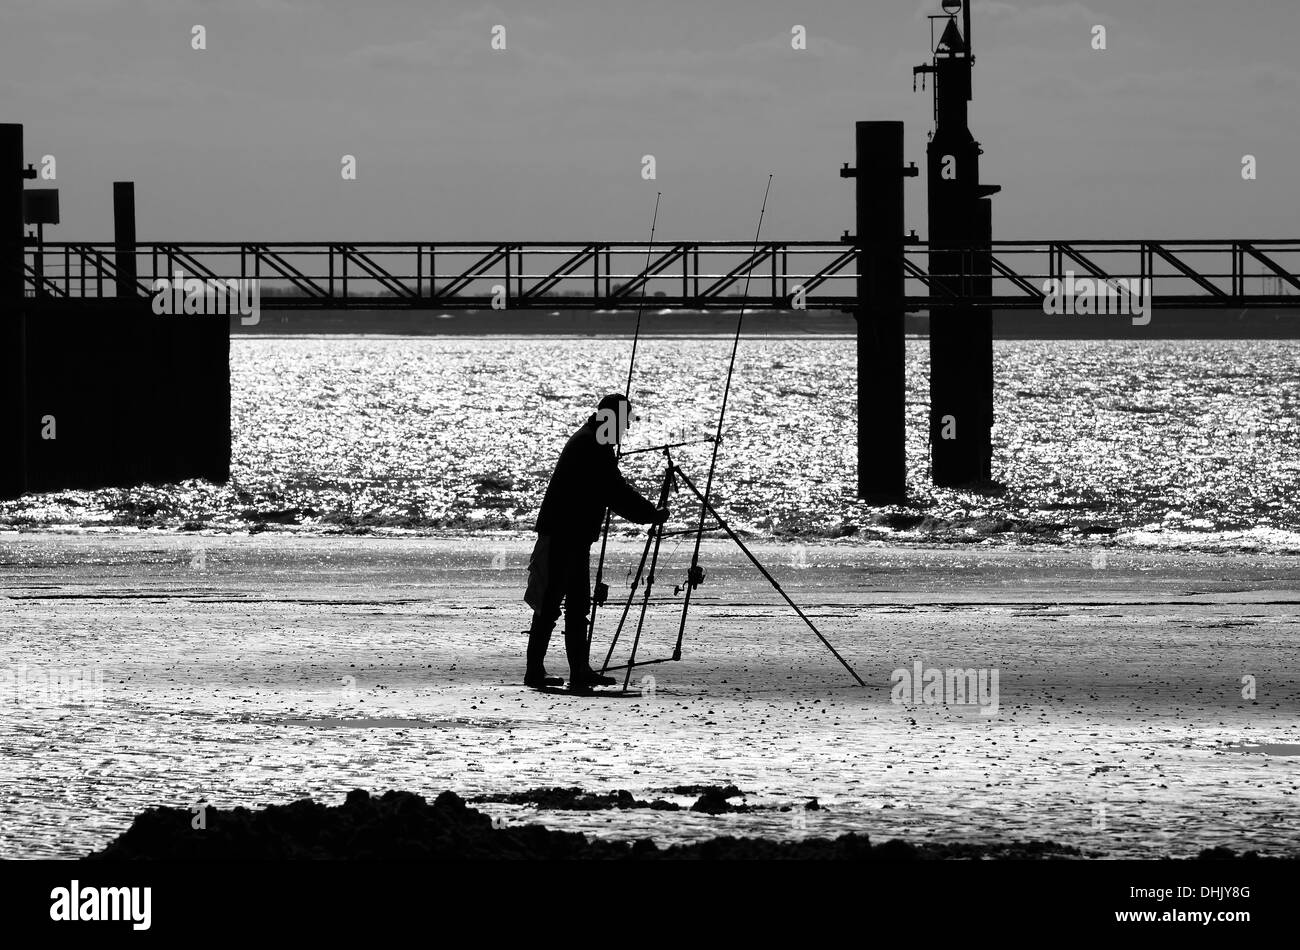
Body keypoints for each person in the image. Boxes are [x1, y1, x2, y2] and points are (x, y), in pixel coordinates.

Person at [524, 393, 668, 692]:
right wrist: (650, 515)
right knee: (550, 605)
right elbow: (616, 492)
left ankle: (579, 671)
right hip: (562, 536)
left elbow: (612, 489)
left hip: (573, 537)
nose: (625, 429)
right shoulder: (592, 445)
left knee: (577, 605)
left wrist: (646, 515)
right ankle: (536, 672)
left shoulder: (593, 440)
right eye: (624, 423)